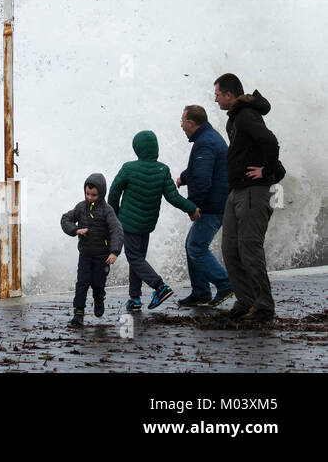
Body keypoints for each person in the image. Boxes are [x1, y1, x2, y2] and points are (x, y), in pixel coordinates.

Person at [108, 130, 199, 311]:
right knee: (138, 259)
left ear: (138, 149)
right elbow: (173, 197)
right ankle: (134, 299)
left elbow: (113, 193)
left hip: (129, 223)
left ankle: (159, 286)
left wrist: (114, 217)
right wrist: (191, 208)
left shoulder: (129, 168)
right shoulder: (163, 170)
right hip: (147, 224)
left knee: (134, 258)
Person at [214, 73, 280, 321]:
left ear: (229, 95)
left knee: (250, 249)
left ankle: (264, 306)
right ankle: (246, 300)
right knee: (230, 248)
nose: (216, 99)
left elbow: (271, 142)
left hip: (254, 191)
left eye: (218, 94)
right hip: (237, 191)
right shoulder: (236, 118)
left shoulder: (246, 116)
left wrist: (266, 170)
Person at [174, 105, 233, 308]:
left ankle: (225, 284)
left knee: (196, 247)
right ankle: (200, 292)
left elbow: (202, 178)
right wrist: (184, 176)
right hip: (218, 201)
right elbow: (200, 169)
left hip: (214, 205)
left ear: (191, 123)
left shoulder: (205, 143)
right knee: (192, 244)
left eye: (182, 121)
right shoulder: (207, 138)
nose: (181, 125)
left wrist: (194, 206)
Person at [60, 172, 123, 326]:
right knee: (82, 282)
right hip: (85, 254)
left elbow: (117, 230)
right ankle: (78, 314)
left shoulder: (107, 210)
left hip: (102, 256)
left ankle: (99, 300)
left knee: (98, 283)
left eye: (93, 195)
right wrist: (75, 230)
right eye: (87, 193)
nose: (89, 197)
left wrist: (114, 252)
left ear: (101, 194)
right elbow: (65, 219)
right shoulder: (81, 207)